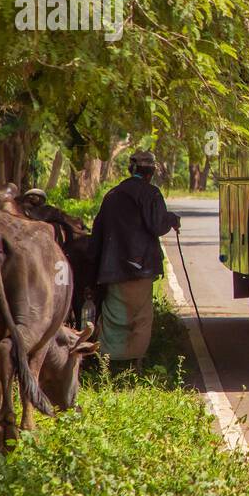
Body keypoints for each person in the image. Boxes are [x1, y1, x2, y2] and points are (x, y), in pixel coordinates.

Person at [89, 150, 180, 363]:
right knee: (140, 318)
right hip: (141, 268)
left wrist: (95, 267)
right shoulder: (151, 194)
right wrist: (172, 219)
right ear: (151, 172)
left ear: (131, 169)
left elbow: (97, 233)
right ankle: (134, 364)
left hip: (112, 269)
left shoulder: (112, 195)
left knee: (113, 317)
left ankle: (108, 364)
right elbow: (157, 225)